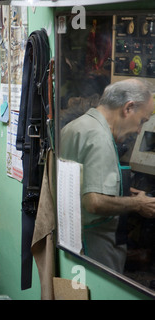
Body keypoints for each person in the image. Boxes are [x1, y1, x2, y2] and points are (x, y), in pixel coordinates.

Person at [60, 78, 155, 273]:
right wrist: (139, 204)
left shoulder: (78, 126)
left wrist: (121, 189)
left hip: (70, 237)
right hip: (95, 246)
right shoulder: (100, 138)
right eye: (142, 121)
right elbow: (94, 202)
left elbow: (81, 182)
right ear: (128, 108)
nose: (138, 131)